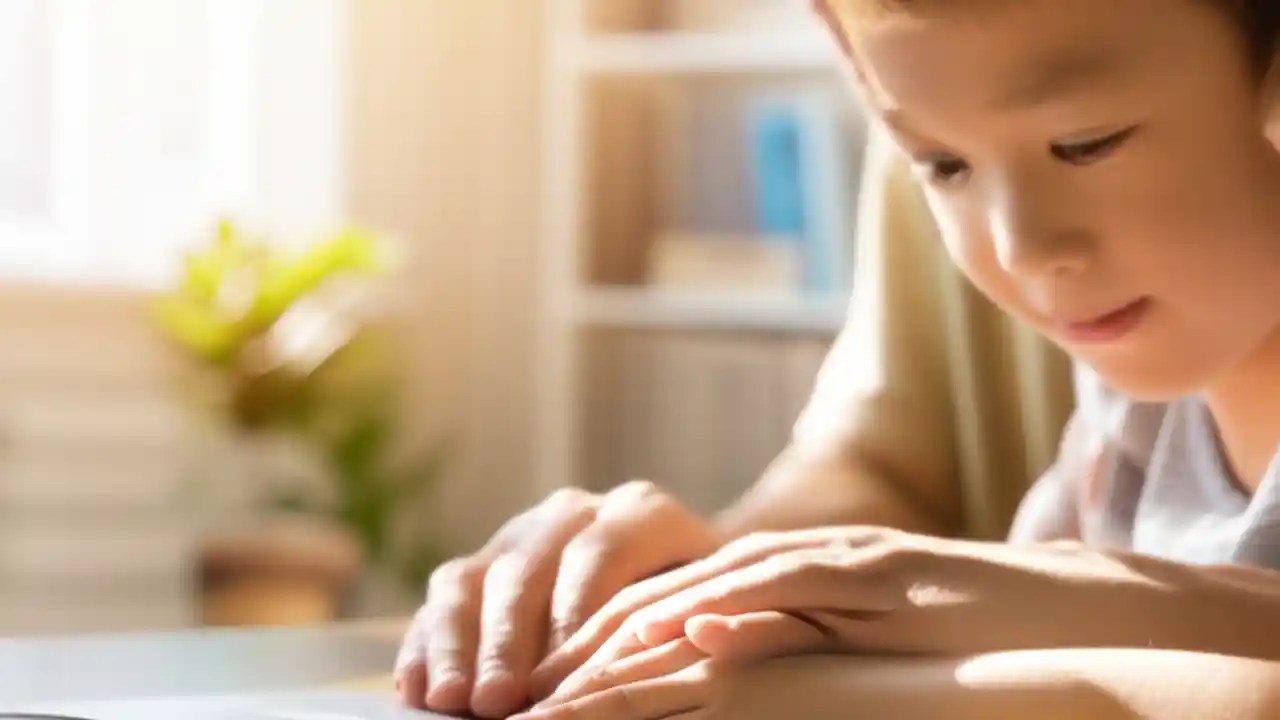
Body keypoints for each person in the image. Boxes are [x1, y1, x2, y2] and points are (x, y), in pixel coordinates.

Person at [403, 0, 1280, 717]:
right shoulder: (1135, 401)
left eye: (1087, 143)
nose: (1021, 249)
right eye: (942, 164)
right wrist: (708, 598)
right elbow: (987, 585)